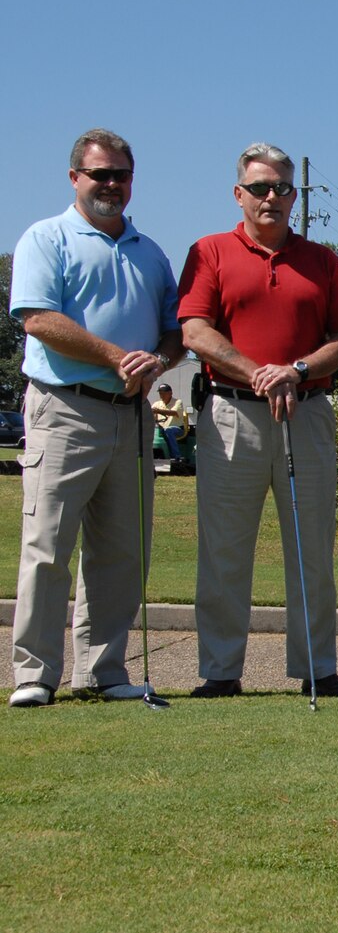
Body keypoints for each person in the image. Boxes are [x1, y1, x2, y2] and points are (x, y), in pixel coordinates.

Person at [178, 142, 338, 699]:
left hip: (305, 415)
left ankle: (317, 668)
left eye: (283, 187)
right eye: (260, 187)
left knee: (312, 551)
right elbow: (194, 331)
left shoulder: (321, 260)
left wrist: (297, 369)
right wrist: (260, 371)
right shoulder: (209, 251)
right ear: (239, 194)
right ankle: (220, 671)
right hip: (233, 413)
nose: (272, 197)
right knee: (225, 550)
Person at [8, 128, 183, 707]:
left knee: (121, 552)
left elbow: (174, 333)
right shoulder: (47, 237)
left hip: (130, 416)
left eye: (121, 175)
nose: (111, 184)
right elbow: (38, 319)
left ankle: (103, 672)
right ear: (75, 178)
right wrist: (115, 357)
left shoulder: (150, 251)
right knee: (47, 545)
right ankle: (34, 674)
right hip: (65, 407)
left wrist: (157, 360)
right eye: (100, 174)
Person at [151, 382, 189, 464]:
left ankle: (176, 456)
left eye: (164, 393)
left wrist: (158, 411)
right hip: (161, 429)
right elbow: (151, 413)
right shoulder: (157, 403)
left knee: (168, 430)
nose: (162, 395)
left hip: (177, 429)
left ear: (170, 393)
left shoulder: (178, 402)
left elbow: (174, 412)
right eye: (160, 393)